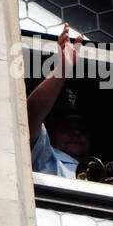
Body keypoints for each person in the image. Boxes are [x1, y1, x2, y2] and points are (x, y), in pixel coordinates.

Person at [27, 24, 93, 177]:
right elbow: (29, 116)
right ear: (52, 131)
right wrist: (63, 69)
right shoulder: (45, 157)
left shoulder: (102, 172)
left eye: (82, 129)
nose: (76, 133)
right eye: (66, 127)